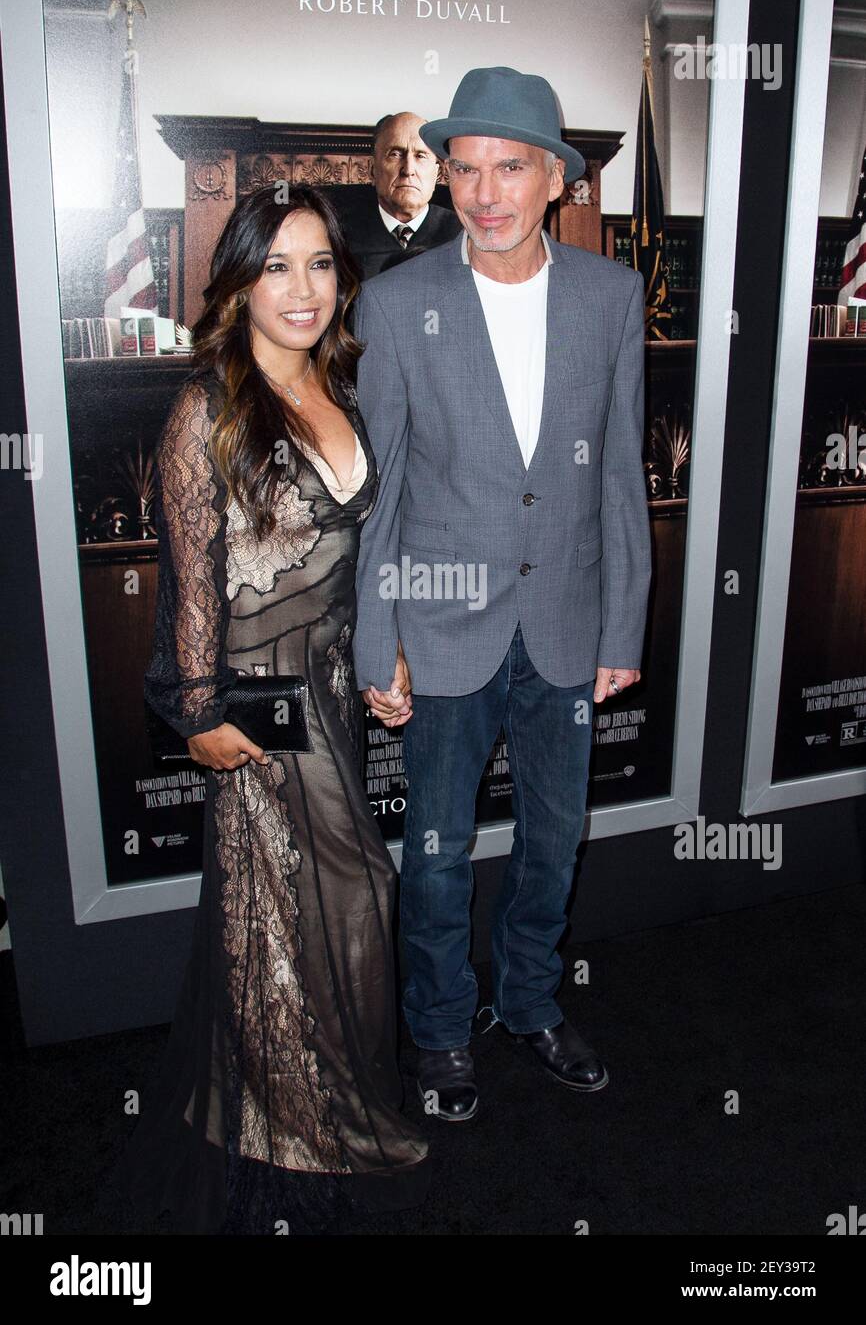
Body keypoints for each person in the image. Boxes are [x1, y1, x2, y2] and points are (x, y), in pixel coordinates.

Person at [114, 183, 430, 1234]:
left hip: (334, 688)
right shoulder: (208, 409)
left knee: (322, 902)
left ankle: (302, 1097)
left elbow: (359, 566)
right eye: (277, 266)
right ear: (239, 282)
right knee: (312, 896)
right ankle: (292, 1116)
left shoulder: (348, 386)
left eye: (321, 264)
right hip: (258, 704)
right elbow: (190, 582)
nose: (301, 289)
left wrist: (388, 653)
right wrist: (199, 710)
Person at [351, 67, 652, 1122]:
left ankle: (528, 1001)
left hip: (567, 623)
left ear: (555, 180)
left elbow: (620, 474)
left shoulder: (610, 298)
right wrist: (372, 640)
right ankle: (439, 1030)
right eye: (462, 167)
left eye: (507, 168)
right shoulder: (394, 302)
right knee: (434, 855)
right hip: (437, 630)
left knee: (550, 841)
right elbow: (377, 490)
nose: (481, 193)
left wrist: (622, 623)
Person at [323, 112, 462, 279]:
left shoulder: (462, 235)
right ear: (373, 170)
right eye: (395, 154)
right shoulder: (339, 236)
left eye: (420, 156)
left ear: (437, 173)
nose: (408, 170)